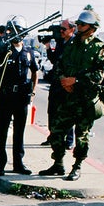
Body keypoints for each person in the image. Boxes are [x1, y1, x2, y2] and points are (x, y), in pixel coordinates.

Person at [39, 9, 104, 181]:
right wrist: (64, 79)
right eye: (77, 24)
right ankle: (58, 164)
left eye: (82, 24)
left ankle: (77, 166)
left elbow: (97, 77)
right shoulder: (71, 44)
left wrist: (75, 81)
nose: (78, 27)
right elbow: (59, 65)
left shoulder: (100, 48)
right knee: (56, 131)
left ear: (92, 28)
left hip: (85, 99)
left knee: (81, 135)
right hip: (67, 97)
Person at [0, 17, 39, 175]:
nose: (15, 34)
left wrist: (33, 92)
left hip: (22, 97)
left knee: (19, 132)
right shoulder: (2, 50)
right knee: (2, 132)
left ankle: (18, 164)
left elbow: (35, 71)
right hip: (5, 96)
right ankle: (0, 165)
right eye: (12, 30)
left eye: (18, 30)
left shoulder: (27, 52)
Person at [40, 19, 76, 148]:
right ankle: (52, 136)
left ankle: (69, 140)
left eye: (63, 29)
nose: (61, 31)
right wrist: (48, 46)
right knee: (53, 110)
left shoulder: (75, 43)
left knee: (67, 112)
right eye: (60, 29)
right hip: (56, 82)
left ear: (72, 29)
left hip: (67, 83)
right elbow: (54, 59)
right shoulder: (61, 42)